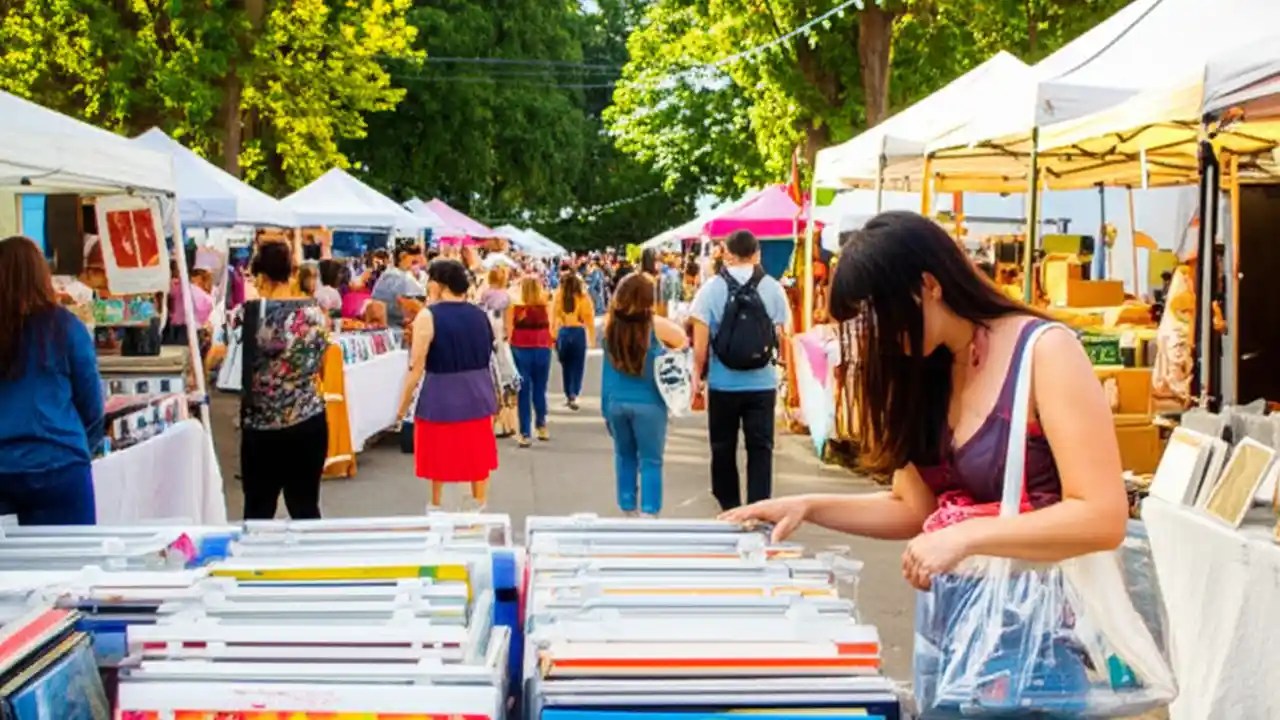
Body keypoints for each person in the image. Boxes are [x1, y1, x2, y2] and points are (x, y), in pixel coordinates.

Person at [723, 211, 1128, 592]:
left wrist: (966, 535)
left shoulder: (1044, 352)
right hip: (962, 623)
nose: (871, 334)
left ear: (930, 286)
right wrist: (807, 506)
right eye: (860, 323)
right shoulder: (928, 367)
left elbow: (1101, 515)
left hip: (1049, 625)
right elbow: (914, 507)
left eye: (875, 316)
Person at [0, 236, 102, 525]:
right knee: (71, 563)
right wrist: (79, 445)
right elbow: (91, 403)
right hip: (60, 465)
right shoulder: (66, 327)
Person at [690, 230, 789, 511]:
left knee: (723, 448)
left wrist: (697, 376)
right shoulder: (772, 287)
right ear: (757, 253)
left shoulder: (711, 289)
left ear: (727, 253)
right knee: (761, 449)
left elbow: (701, 342)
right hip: (762, 384)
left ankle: (730, 507)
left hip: (723, 384)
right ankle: (758, 509)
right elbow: (783, 335)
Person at [397, 259, 498, 510]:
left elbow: (416, 366)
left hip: (440, 394)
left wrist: (402, 406)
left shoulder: (428, 316)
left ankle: (437, 506)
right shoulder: (480, 315)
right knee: (477, 459)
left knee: (439, 460)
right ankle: (479, 506)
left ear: (438, 284)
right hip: (479, 393)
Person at [241, 241, 330, 520]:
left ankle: (257, 563)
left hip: (263, 424)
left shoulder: (251, 314)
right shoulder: (315, 313)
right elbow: (322, 364)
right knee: (305, 507)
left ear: (261, 277)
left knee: (258, 511)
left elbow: (223, 361)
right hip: (309, 417)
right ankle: (311, 563)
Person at [602, 273, 688, 517]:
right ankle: (649, 512)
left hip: (616, 401)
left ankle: (627, 508)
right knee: (651, 460)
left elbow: (606, 373)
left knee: (624, 456)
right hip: (650, 403)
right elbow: (682, 340)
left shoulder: (610, 326)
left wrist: (604, 409)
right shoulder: (655, 325)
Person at [506, 276, 554, 447]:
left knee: (523, 391)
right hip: (542, 348)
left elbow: (509, 329)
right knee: (540, 389)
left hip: (520, 348)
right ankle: (541, 425)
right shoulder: (545, 306)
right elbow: (552, 326)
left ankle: (525, 432)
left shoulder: (516, 308)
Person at [479, 266, 519, 438]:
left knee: (492, 379)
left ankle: (494, 421)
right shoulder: (507, 297)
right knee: (507, 379)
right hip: (501, 339)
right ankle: (507, 422)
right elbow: (509, 324)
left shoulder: (485, 295)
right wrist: (509, 339)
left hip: (487, 338)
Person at [552, 271, 595, 410]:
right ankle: (574, 393)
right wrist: (592, 338)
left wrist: (553, 335)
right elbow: (589, 318)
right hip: (578, 332)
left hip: (563, 332)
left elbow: (554, 316)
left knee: (566, 366)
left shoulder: (559, 296)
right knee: (578, 366)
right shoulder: (583, 297)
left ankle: (567, 392)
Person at [371, 244, 425, 329]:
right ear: (403, 257)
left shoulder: (386, 274)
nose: (418, 264)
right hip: (398, 328)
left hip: (383, 326)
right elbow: (411, 306)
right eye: (415, 261)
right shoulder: (403, 278)